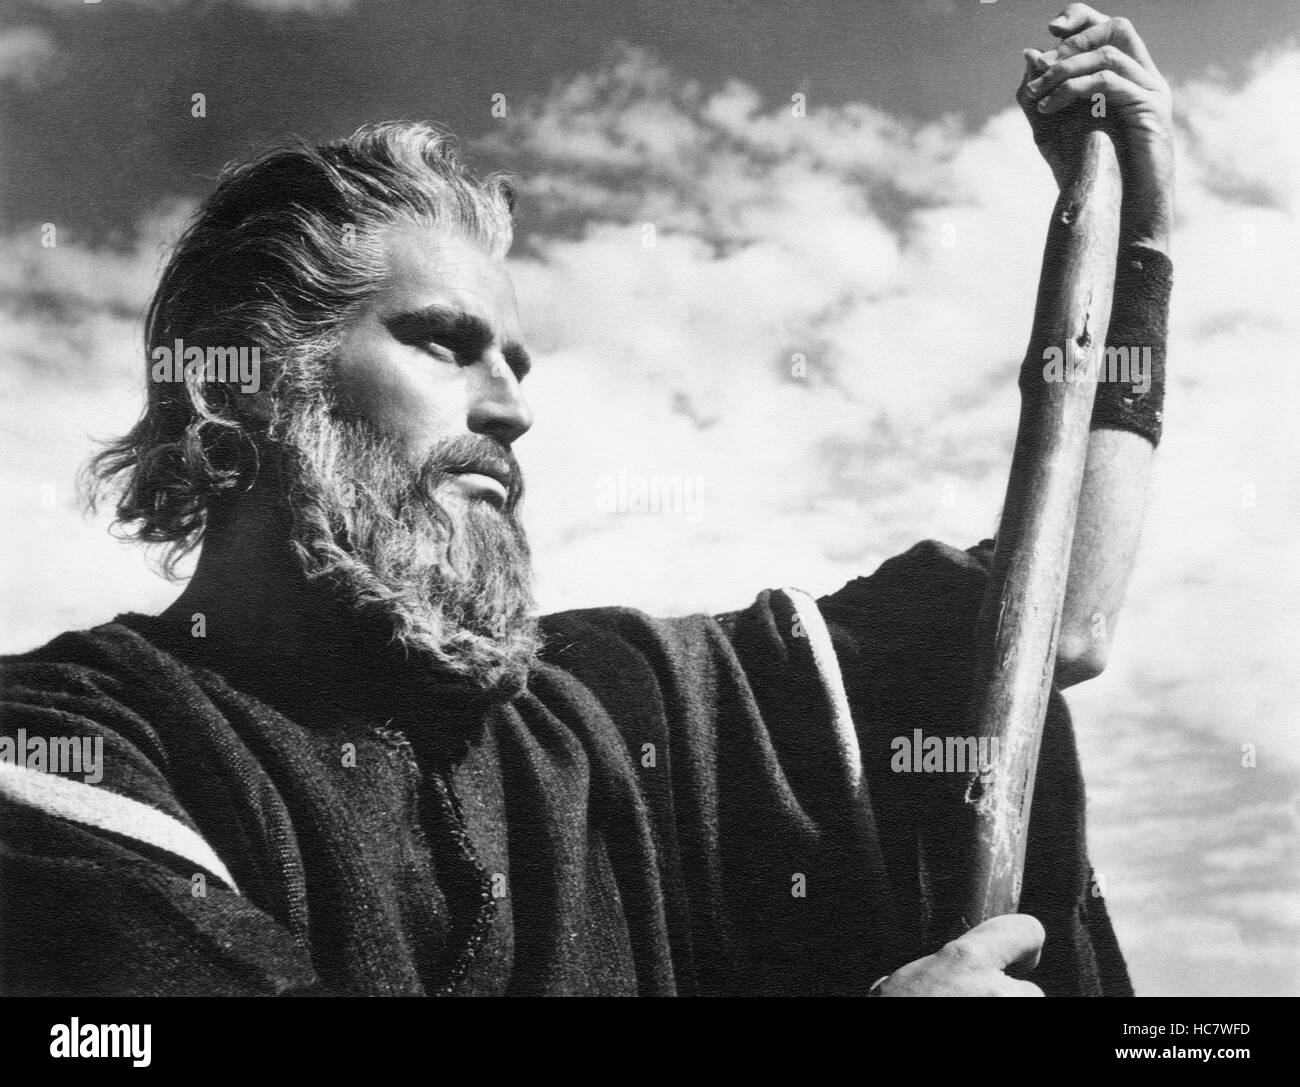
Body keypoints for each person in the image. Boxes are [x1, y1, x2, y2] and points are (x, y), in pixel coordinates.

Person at [0, 5, 1171, 996]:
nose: (509, 410)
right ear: (244, 382)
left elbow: (1042, 628)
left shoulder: (607, 714)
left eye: (516, 362)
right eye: (444, 344)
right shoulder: (74, 753)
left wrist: (1141, 245)